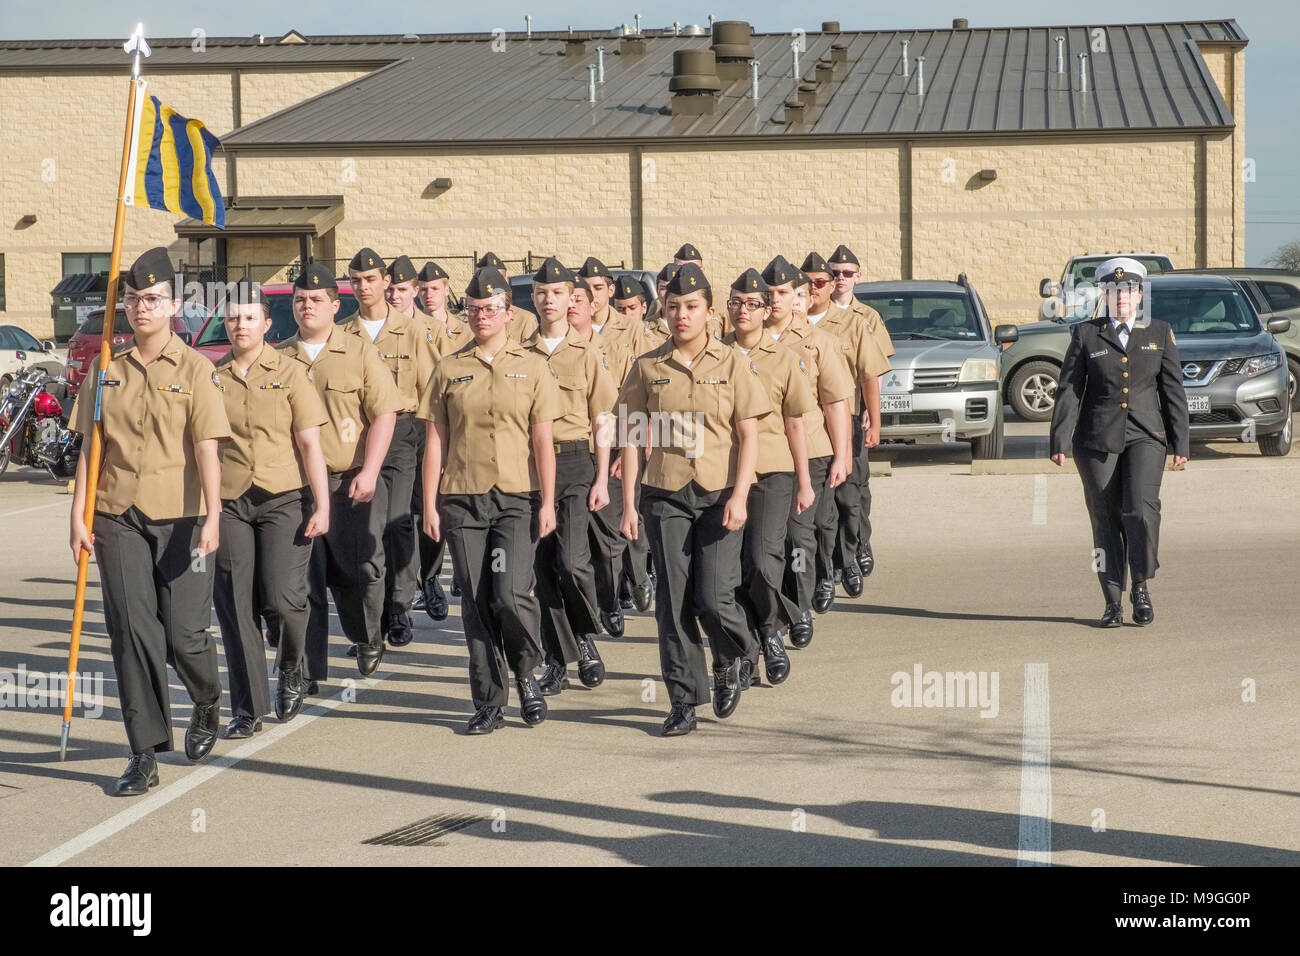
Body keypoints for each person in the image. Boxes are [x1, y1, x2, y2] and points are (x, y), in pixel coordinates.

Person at [68, 247, 231, 795]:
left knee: (184, 637)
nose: (143, 308)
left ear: (174, 304)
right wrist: (78, 512)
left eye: (154, 299)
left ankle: (207, 696)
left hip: (182, 516)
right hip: (118, 514)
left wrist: (214, 515)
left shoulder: (197, 369)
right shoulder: (104, 369)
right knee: (131, 632)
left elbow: (208, 447)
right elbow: (91, 446)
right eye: (135, 300)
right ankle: (143, 752)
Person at [617, 263, 771, 737]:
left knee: (713, 596)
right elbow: (629, 436)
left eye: (692, 307)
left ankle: (734, 653)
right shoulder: (647, 367)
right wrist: (627, 504)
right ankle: (683, 699)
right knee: (673, 600)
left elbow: (749, 435)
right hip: (665, 494)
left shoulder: (732, 363)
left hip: (719, 493)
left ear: (708, 311)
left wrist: (741, 495)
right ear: (662, 310)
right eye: (674, 306)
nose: (681, 315)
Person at [419, 267, 562, 734]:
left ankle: (527, 670)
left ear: (507, 313)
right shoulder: (449, 368)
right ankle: (488, 700)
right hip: (462, 498)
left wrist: (548, 502)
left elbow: (543, 440)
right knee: (477, 602)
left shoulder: (534, 365)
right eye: (475, 309)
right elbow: (435, 441)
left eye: (491, 309)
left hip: (517, 496)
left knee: (510, 593)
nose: (483, 316)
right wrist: (427, 504)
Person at [212, 281, 330, 737]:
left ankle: (292, 666)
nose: (240, 325)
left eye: (249, 318)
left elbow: (309, 442)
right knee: (236, 604)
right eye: (233, 318)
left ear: (266, 324)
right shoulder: (212, 377)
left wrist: (322, 504)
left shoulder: (290, 371)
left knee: (282, 598)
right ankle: (247, 707)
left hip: (283, 497)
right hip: (230, 501)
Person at [280, 263, 402, 687]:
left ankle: (368, 636)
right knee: (306, 582)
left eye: (316, 300)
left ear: (335, 305)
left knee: (362, 570)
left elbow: (384, 413)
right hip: (298, 488)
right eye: (299, 300)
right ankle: (306, 672)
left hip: (351, 480)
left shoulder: (359, 350)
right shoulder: (280, 357)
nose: (306, 306)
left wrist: (370, 471)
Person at [1049, 257, 1189, 627]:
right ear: (1105, 296)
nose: (1121, 297)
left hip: (1146, 435)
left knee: (1141, 512)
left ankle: (1141, 585)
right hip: (1096, 440)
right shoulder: (1086, 334)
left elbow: (1172, 390)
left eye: (1128, 291)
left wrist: (1181, 443)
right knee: (1105, 519)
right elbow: (1069, 390)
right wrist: (1059, 439)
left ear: (1139, 294)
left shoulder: (1158, 332)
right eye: (1113, 291)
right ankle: (1112, 602)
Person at [523, 258, 617, 694]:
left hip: (576, 462)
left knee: (572, 562)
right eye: (541, 293)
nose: (548, 300)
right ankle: (559, 659)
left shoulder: (587, 352)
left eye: (557, 293)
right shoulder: (517, 354)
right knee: (542, 570)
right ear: (533, 299)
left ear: (571, 299)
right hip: (527, 466)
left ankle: (584, 635)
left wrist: (601, 476)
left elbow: (603, 417)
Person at [723, 269, 817, 686]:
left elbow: (795, 422)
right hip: (722, 474)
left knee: (763, 562)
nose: (742, 311)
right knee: (729, 571)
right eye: (735, 303)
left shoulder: (783, 359)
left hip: (771, 472)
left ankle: (771, 631)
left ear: (765, 311)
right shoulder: (715, 354)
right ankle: (746, 650)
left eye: (751, 304)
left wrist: (804, 478)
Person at [341, 248, 437, 648]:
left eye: (371, 280)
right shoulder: (343, 332)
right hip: (356, 437)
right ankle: (373, 612)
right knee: (365, 528)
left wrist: (436, 449)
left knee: (398, 522)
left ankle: (398, 605)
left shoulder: (412, 331)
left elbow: (431, 394)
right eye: (356, 281)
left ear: (385, 282)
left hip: (401, 433)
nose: (363, 287)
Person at [761, 256, 854, 650]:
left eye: (783, 292)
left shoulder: (820, 343)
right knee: (768, 541)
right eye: (769, 293)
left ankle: (798, 605)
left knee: (799, 539)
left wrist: (843, 454)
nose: (776, 300)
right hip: (764, 457)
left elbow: (836, 403)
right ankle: (771, 612)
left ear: (798, 295)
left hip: (812, 453)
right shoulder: (744, 343)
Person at [802, 250, 889, 607]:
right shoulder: (793, 325)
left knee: (851, 500)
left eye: (821, 281)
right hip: (809, 428)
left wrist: (874, 416)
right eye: (808, 283)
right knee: (821, 510)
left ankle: (851, 553)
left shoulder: (857, 321)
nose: (819, 287)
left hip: (846, 420)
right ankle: (829, 571)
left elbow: (870, 373)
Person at [826, 244, 894, 578]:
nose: (841, 279)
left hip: (853, 410)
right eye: (835, 273)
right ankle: (839, 554)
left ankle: (859, 543)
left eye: (847, 273)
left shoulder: (867, 317)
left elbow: (874, 370)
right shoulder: (816, 314)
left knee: (857, 486)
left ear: (858, 277)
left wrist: (871, 410)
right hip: (823, 416)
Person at [388, 255, 450, 623]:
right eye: (390, 289)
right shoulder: (375, 333)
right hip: (391, 429)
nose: (395, 296)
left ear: (413, 291)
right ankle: (402, 593)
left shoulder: (432, 330)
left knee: (430, 506)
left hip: (427, 427)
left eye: (401, 289)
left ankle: (429, 576)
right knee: (399, 516)